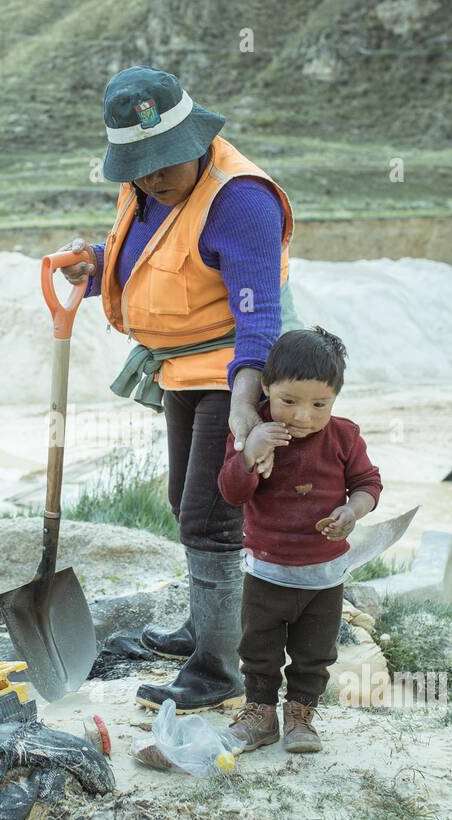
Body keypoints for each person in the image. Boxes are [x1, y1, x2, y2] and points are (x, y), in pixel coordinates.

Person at [57, 64, 302, 712]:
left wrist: (250, 404)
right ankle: (206, 624)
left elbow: (259, 315)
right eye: (137, 166)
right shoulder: (148, 192)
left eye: (162, 164)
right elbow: (157, 259)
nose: (150, 178)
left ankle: (218, 669)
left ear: (195, 139)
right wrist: (98, 264)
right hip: (181, 368)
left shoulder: (240, 200)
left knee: (211, 515)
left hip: (236, 367)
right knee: (183, 498)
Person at [216, 327, 383, 752]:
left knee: (314, 654)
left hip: (323, 576)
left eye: (319, 405)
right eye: (288, 401)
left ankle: (301, 716)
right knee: (259, 649)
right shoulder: (254, 435)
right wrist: (249, 453)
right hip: (267, 571)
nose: (303, 416)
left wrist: (353, 511)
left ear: (335, 399)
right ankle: (259, 714)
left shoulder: (344, 437)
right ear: (266, 388)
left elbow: (367, 483)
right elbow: (232, 493)